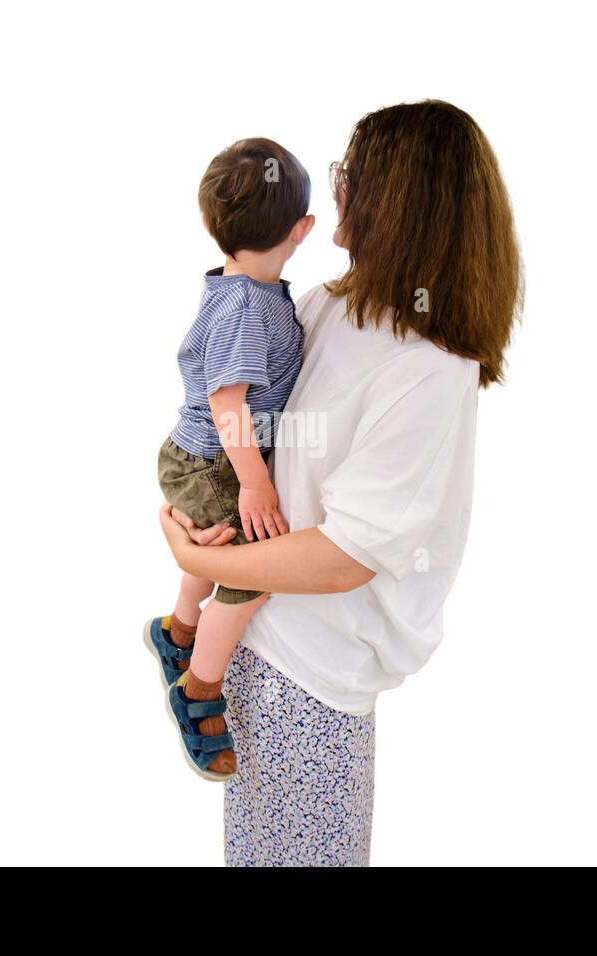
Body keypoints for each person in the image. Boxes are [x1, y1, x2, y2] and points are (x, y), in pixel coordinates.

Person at [157, 100, 523, 865]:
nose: (335, 192)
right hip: (257, 646)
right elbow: (245, 425)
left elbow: (343, 556)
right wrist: (195, 512)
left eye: (351, 175)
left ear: (400, 202)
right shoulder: (328, 304)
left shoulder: (429, 368)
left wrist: (203, 563)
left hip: (311, 682)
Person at [144, 138, 315, 781]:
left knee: (214, 546)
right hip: (216, 459)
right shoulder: (247, 304)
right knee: (249, 577)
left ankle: (179, 630)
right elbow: (226, 402)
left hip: (202, 457)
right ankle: (198, 688)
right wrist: (256, 485)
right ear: (302, 229)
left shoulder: (252, 290)